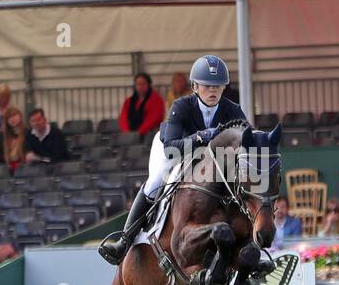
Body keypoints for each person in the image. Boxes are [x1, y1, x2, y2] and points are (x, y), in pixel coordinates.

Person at [99, 55, 248, 265]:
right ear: (195, 87)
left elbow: (246, 141)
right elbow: (171, 148)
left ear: (224, 87)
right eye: (206, 86)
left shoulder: (233, 109)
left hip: (211, 161)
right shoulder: (182, 106)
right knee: (156, 180)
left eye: (217, 86)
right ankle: (124, 240)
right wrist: (200, 137)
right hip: (174, 149)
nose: (212, 91)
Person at [119, 72, 165, 136]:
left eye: (143, 84)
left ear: (149, 85)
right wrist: (127, 132)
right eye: (138, 84)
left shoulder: (157, 100)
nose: (140, 87)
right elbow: (123, 118)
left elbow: (154, 119)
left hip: (149, 134)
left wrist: (139, 132)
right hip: (130, 134)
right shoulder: (128, 101)